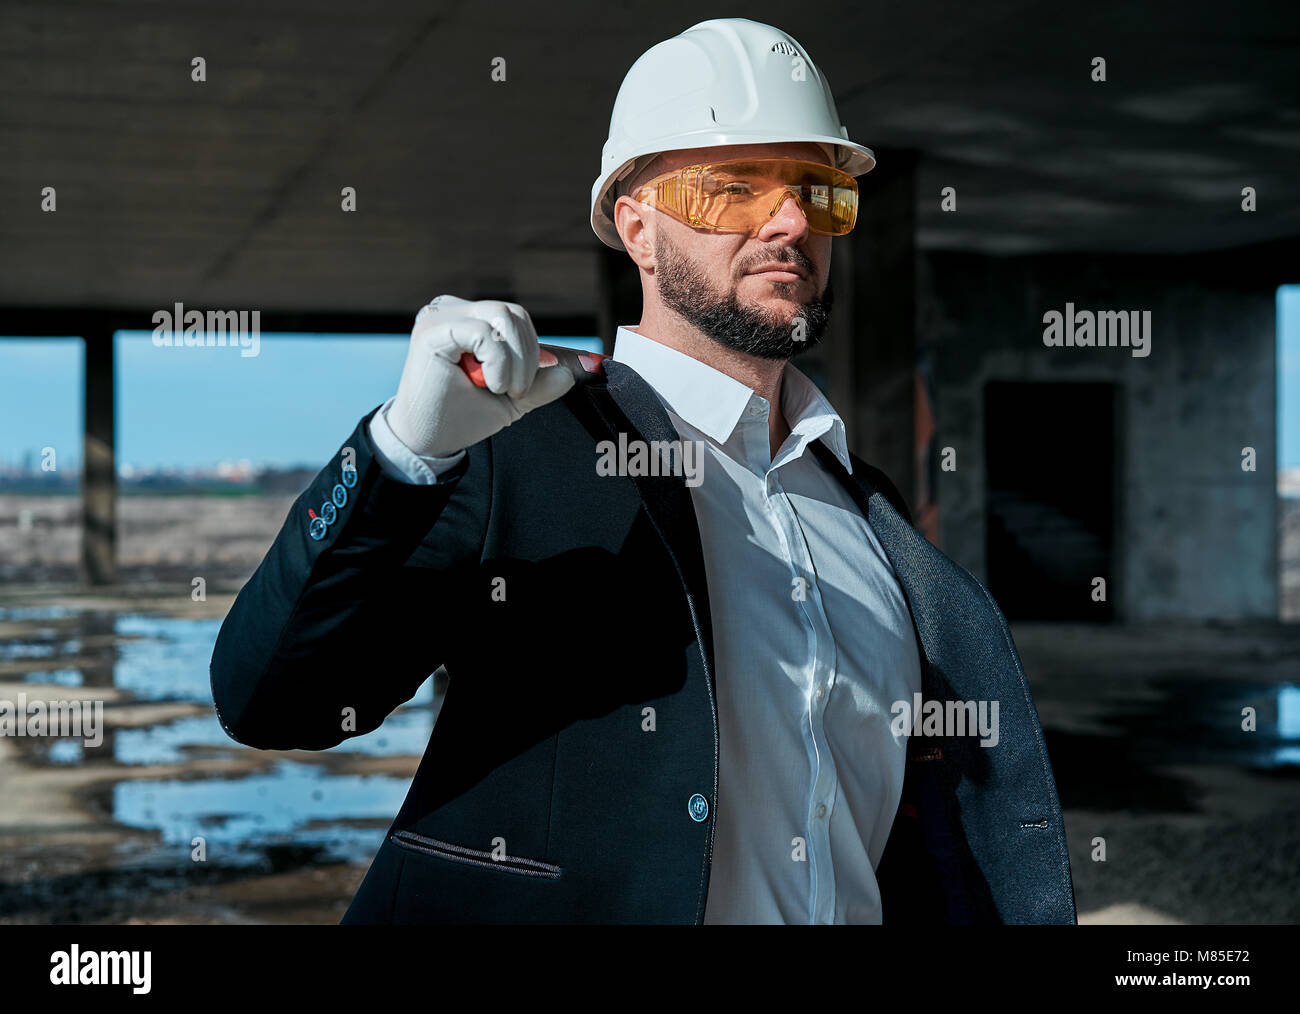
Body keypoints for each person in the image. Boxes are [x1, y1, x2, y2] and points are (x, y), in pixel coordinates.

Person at [210, 17, 1076, 924]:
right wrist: (403, 454)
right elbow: (271, 699)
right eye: (732, 188)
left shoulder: (867, 517)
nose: (789, 223)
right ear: (638, 231)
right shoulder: (525, 448)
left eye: (817, 193)